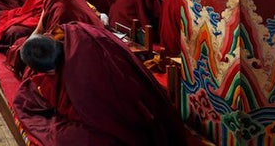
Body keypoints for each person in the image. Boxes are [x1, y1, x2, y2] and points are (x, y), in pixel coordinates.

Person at [13, 23, 186, 145]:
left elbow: (94, 114)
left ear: (51, 71)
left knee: (65, 138)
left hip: (129, 123)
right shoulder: (76, 31)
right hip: (142, 97)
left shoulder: (82, 78)